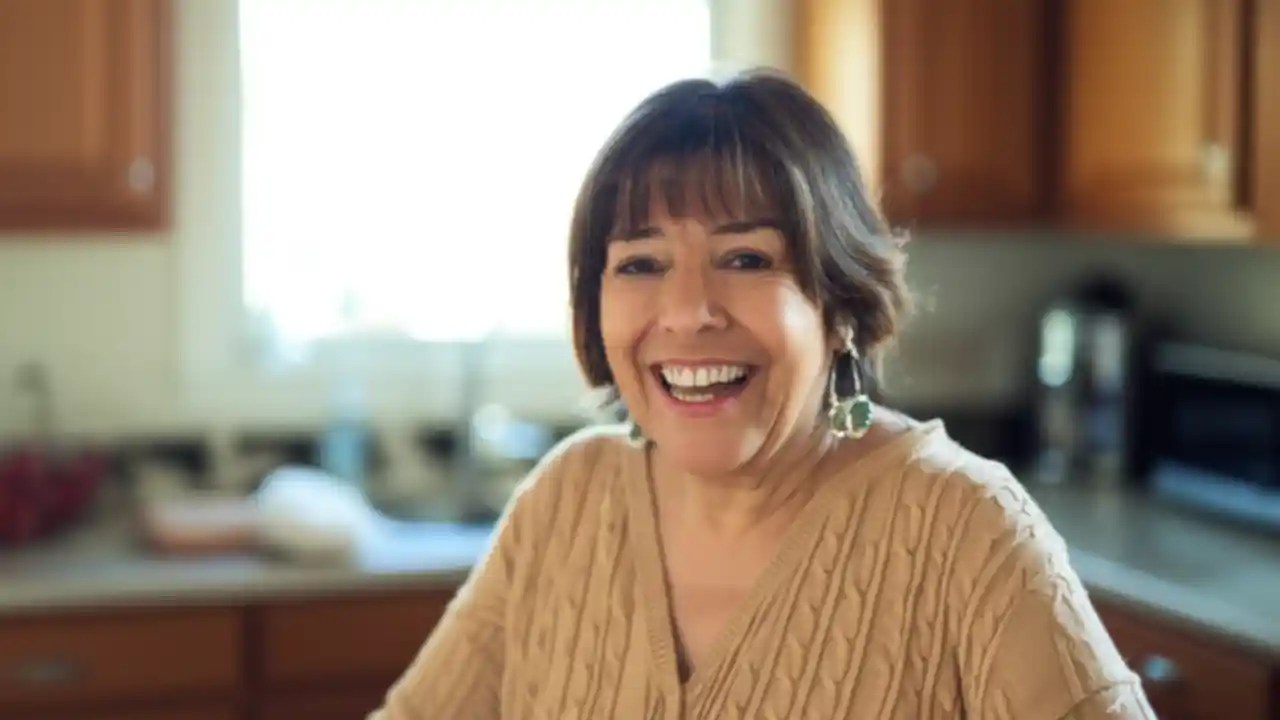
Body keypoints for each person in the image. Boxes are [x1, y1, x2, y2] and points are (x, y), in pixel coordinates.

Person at [370, 71, 1154, 719]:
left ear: (839, 306)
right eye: (640, 264)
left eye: (745, 259)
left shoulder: (963, 530)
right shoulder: (568, 502)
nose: (686, 311)